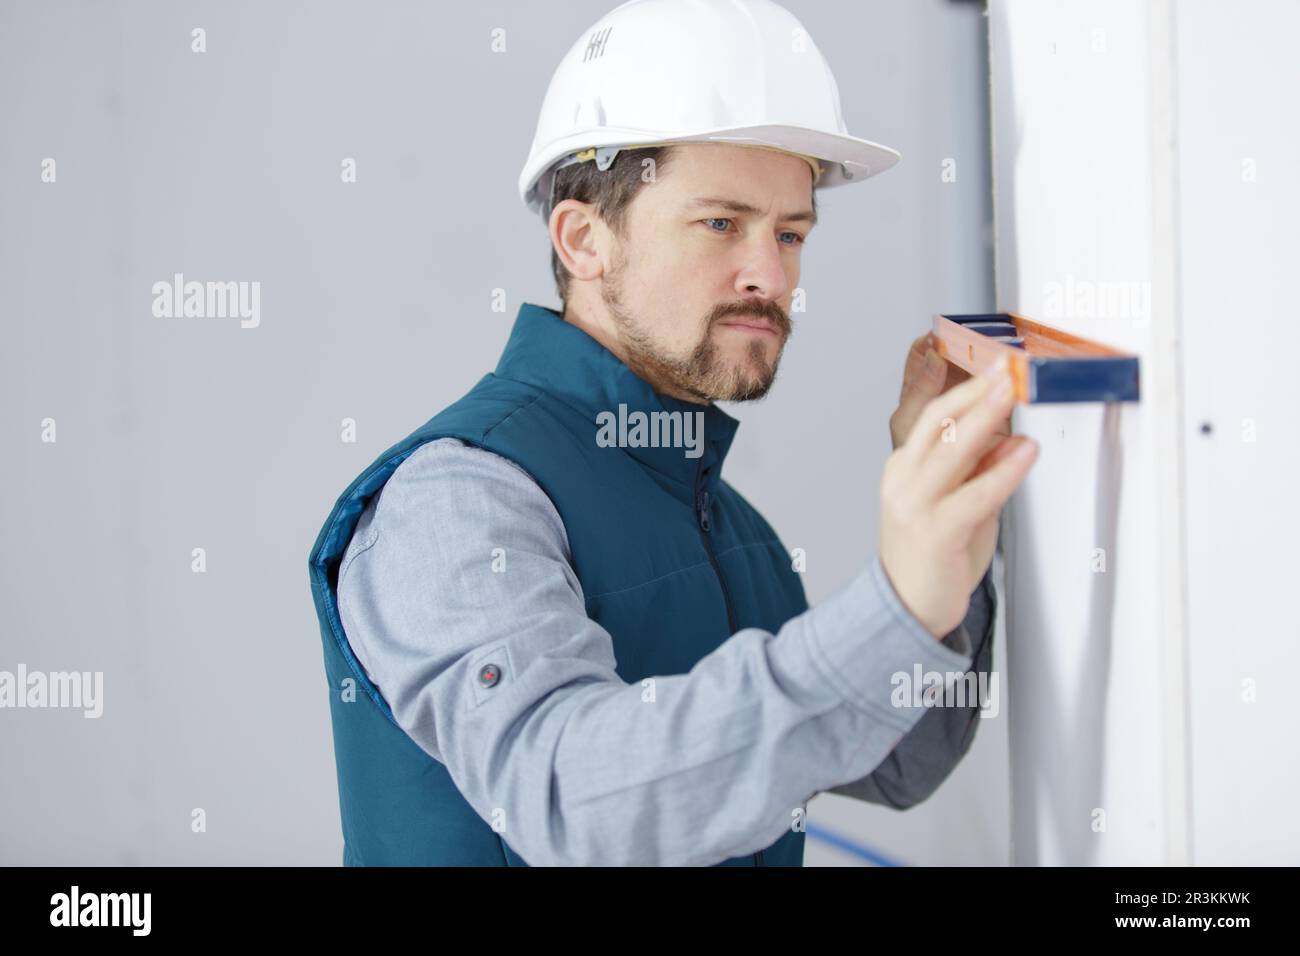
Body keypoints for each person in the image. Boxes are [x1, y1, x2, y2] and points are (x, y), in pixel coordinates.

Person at [307, 0, 1037, 867]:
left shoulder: (725, 522)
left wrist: (948, 520)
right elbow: (567, 796)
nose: (770, 274)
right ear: (584, 240)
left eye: (790, 233)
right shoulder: (460, 499)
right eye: (721, 223)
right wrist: (897, 607)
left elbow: (894, 761)